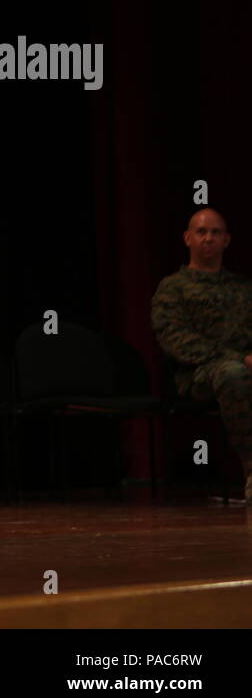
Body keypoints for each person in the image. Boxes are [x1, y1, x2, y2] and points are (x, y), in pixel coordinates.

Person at [152, 208, 252, 502]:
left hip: (246, 364)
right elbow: (175, 340)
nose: (209, 238)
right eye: (201, 232)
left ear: (227, 240)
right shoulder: (172, 288)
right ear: (187, 238)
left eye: (216, 232)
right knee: (234, 374)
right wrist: (239, 358)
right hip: (198, 375)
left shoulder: (244, 288)